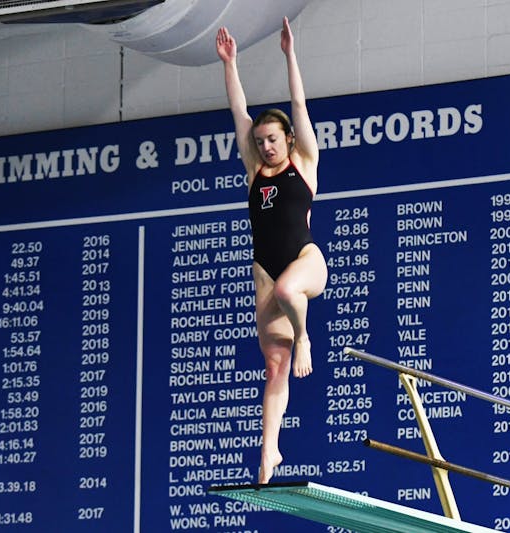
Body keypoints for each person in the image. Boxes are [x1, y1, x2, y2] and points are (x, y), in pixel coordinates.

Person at [216, 17, 327, 484]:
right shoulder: (253, 171)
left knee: (287, 289)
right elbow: (238, 112)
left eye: (272, 140)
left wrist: (289, 55)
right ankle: (269, 453)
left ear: (289, 141)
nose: (264, 146)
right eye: (259, 142)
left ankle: (305, 336)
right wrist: (230, 64)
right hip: (265, 279)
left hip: (305, 265)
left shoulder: (304, 161)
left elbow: (298, 103)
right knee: (275, 365)